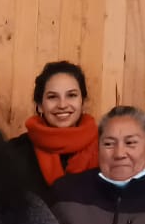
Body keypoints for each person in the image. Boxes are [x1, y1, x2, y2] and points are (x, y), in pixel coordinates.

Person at [8, 60, 99, 201]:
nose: (62, 105)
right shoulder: (13, 153)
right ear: (40, 105)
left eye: (71, 95)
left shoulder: (106, 149)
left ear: (83, 102)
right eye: (52, 97)